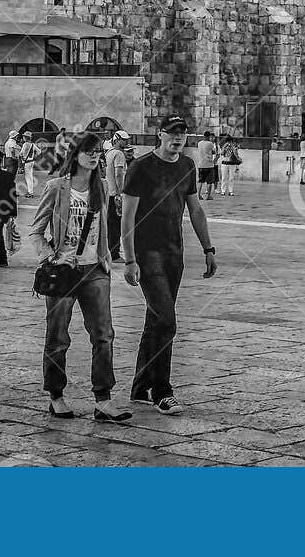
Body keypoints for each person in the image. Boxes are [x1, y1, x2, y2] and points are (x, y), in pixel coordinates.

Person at [30, 130, 131, 423]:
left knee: (104, 336)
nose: (94, 154)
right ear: (75, 154)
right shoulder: (56, 187)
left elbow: (105, 228)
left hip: (95, 270)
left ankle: (103, 399)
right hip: (63, 272)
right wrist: (51, 256)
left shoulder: (100, 188)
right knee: (58, 336)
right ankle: (56, 396)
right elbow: (36, 231)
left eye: (98, 150)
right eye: (88, 150)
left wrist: (107, 259)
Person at [121, 117, 216, 416]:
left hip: (175, 253)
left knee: (156, 320)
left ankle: (139, 387)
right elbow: (127, 217)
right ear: (160, 135)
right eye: (172, 133)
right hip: (147, 253)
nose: (177, 138)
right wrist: (129, 259)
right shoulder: (141, 167)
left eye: (182, 133)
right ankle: (162, 390)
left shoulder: (187, 166)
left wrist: (208, 248)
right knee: (166, 320)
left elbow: (195, 208)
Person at [103, 132, 130, 261]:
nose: (127, 143)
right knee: (116, 226)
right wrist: (121, 193)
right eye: (124, 140)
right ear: (117, 140)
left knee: (110, 225)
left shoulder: (109, 152)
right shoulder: (119, 154)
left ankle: (109, 252)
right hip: (116, 195)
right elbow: (119, 174)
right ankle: (114, 254)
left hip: (109, 193)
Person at [194, 133, 219, 200]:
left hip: (201, 165)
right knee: (209, 182)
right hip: (209, 165)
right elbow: (214, 152)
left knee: (200, 181)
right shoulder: (210, 144)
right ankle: (208, 196)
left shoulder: (199, 143)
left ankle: (198, 195)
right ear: (208, 137)